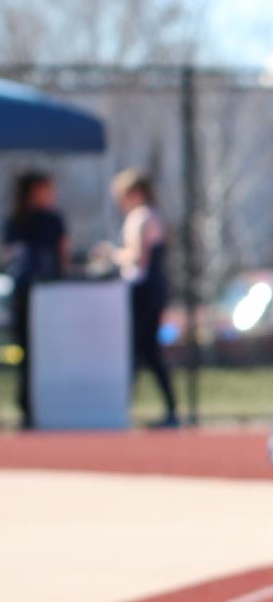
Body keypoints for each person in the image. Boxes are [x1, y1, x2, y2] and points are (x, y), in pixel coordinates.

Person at [104, 169, 178, 428]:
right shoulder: (153, 215)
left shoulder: (141, 217)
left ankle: (124, 407)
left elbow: (137, 257)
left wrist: (110, 254)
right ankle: (161, 407)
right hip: (153, 289)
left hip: (143, 290)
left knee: (142, 349)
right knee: (143, 349)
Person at [4, 170, 68, 429]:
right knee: (33, 351)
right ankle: (31, 407)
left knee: (34, 351)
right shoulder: (37, 220)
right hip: (39, 289)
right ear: (35, 191)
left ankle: (34, 408)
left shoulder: (22, 220)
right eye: (47, 189)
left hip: (33, 289)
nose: (52, 194)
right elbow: (62, 253)